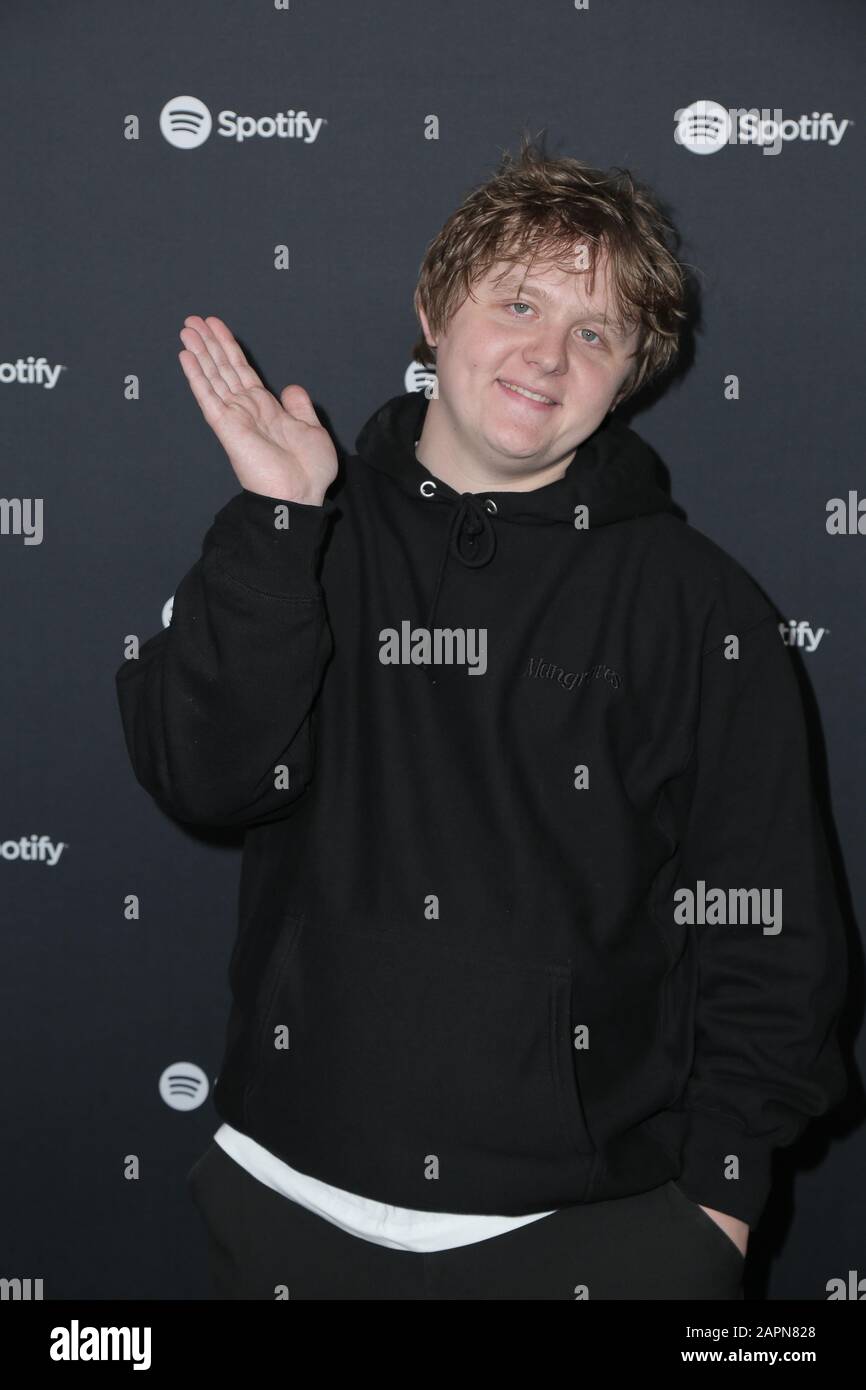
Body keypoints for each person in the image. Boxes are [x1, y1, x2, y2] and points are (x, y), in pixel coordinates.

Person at [115, 136, 848, 1300]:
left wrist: (716, 1206)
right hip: (283, 1208)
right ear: (432, 307)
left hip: (593, 1242)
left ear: (628, 374)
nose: (547, 355)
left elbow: (767, 930)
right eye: (517, 300)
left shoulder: (696, 604)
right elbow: (204, 780)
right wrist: (274, 522)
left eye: (595, 332)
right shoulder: (299, 526)